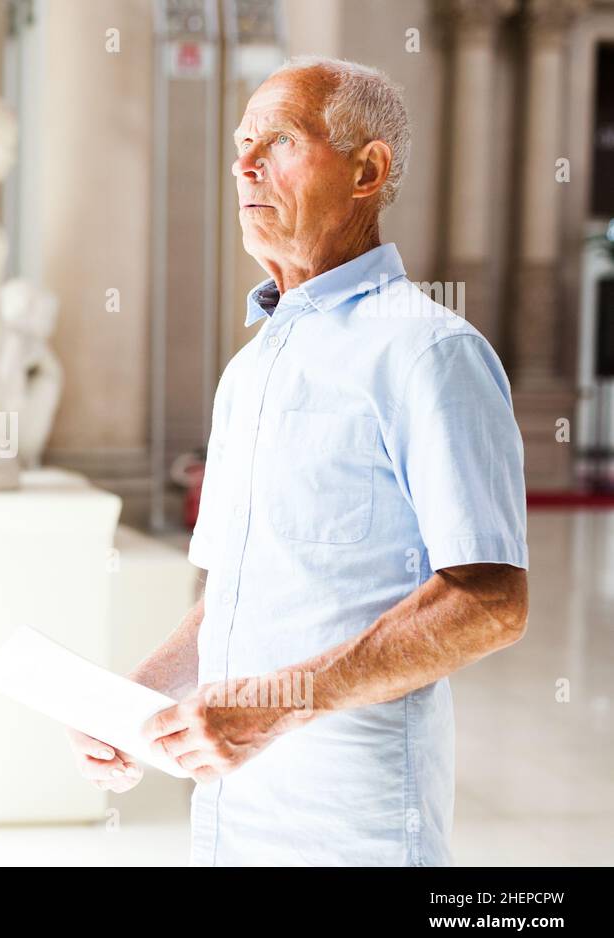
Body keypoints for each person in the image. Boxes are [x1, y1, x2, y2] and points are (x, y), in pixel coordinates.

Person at [69, 56, 528, 866]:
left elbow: (489, 603)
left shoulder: (429, 352)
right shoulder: (249, 370)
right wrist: (137, 696)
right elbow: (236, 597)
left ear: (367, 169)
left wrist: (276, 708)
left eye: (278, 139)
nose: (244, 163)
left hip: (354, 819)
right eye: (241, 143)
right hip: (229, 811)